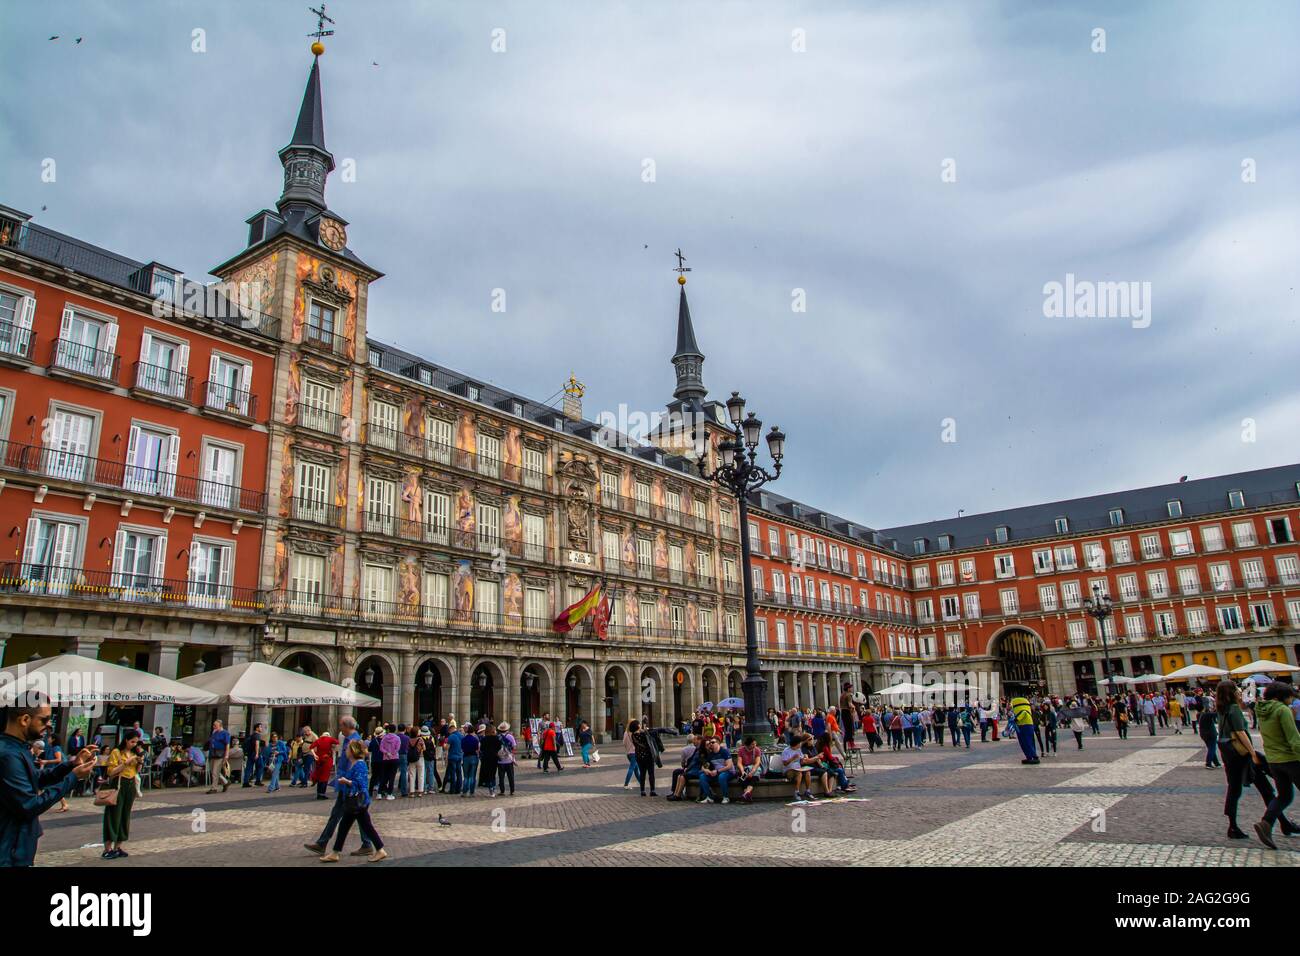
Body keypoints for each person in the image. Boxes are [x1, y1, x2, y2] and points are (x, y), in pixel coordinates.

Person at [0, 696, 96, 866]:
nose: (49, 725)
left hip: (15, 847)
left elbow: (35, 778)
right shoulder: (8, 754)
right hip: (9, 852)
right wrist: (73, 777)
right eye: (44, 720)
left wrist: (70, 765)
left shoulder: (16, 748)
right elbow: (29, 805)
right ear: (24, 720)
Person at [1215, 680, 1294, 841]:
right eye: (1236, 689)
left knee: (1234, 789)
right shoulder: (1234, 708)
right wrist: (1253, 753)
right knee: (1265, 788)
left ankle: (1233, 826)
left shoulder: (1221, 709)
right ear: (1231, 692)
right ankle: (1281, 823)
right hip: (1242, 755)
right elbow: (1240, 732)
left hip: (1229, 754)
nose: (1239, 690)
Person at [305, 717, 374, 858]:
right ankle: (323, 843)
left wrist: (348, 782)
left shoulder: (353, 740)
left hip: (348, 785)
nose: (340, 728)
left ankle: (366, 845)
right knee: (341, 815)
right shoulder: (352, 739)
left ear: (346, 726)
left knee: (355, 816)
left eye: (341, 725)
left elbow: (354, 762)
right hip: (346, 783)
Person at [319, 740, 388, 863]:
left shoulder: (359, 764)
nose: (345, 751)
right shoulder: (354, 764)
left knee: (364, 827)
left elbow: (361, 784)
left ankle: (380, 849)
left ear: (352, 751)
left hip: (357, 802)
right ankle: (335, 853)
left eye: (347, 749)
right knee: (347, 826)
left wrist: (347, 781)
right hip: (355, 802)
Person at [1252, 681, 1300, 850]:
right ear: (1281, 696)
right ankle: (1266, 825)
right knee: (1285, 796)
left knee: (1284, 796)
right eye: (1289, 697)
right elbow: (1293, 739)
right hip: (1291, 759)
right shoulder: (1282, 710)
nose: (1291, 700)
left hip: (1274, 761)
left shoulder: (1262, 711)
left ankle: (1266, 824)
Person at [102, 728, 145, 860]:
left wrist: (139, 761)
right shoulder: (116, 752)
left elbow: (137, 770)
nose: (134, 744)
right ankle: (108, 848)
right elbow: (110, 772)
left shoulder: (134, 753)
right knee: (114, 815)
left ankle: (118, 846)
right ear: (126, 740)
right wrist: (125, 763)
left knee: (125, 815)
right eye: (132, 742)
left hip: (130, 784)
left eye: (136, 742)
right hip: (119, 784)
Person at [696, 736, 733, 804]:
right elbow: (704, 766)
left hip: (728, 772)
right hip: (717, 773)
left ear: (718, 743)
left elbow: (729, 766)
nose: (711, 744)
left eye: (713, 742)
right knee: (702, 776)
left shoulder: (724, 751)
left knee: (721, 776)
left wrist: (717, 771)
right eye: (710, 743)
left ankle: (726, 797)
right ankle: (710, 797)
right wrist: (706, 770)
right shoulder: (711, 754)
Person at [665, 735, 701, 801]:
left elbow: (694, 763)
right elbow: (690, 760)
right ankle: (675, 793)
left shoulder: (700, 751)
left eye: (695, 740)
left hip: (695, 770)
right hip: (691, 768)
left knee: (682, 776)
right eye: (693, 740)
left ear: (699, 740)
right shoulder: (696, 749)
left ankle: (677, 795)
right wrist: (686, 767)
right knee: (676, 772)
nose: (693, 741)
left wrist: (687, 768)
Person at [780, 736, 814, 801]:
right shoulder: (786, 751)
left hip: (798, 768)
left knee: (808, 772)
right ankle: (796, 792)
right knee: (799, 773)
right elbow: (785, 763)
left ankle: (808, 791)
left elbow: (801, 761)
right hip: (789, 770)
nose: (801, 744)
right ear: (797, 744)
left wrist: (804, 759)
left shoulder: (798, 750)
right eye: (800, 743)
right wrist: (793, 758)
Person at [629, 720, 657, 796]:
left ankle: (643, 790)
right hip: (648, 756)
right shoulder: (643, 734)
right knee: (651, 773)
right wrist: (645, 730)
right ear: (637, 726)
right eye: (639, 724)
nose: (640, 725)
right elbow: (648, 738)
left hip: (639, 756)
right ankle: (652, 790)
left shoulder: (633, 735)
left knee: (642, 774)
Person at [1009, 695, 1039, 765]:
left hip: (1026, 726)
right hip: (1020, 726)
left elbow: (1023, 714)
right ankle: (1029, 756)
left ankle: (1034, 756)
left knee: (1028, 741)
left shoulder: (1024, 711)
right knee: (1023, 742)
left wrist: (1016, 719)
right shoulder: (1019, 711)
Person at [309, 729, 337, 799]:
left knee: (319, 776)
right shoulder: (330, 739)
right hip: (327, 760)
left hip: (319, 760)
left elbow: (311, 747)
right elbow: (338, 742)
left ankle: (319, 793)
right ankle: (322, 794)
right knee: (325, 777)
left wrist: (314, 755)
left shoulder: (318, 740)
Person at [205, 719, 231, 794]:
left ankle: (214, 788)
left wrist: (226, 755)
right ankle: (225, 782)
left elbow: (227, 745)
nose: (214, 727)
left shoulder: (225, 733)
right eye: (213, 725)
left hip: (220, 754)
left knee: (215, 772)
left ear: (220, 726)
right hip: (212, 753)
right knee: (213, 771)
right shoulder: (214, 732)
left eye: (215, 725)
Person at [1198, 692, 1221, 769]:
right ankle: (1208, 763)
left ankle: (1216, 763)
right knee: (1212, 748)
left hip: (1204, 734)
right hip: (1210, 734)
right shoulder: (1208, 714)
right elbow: (1218, 713)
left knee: (1211, 748)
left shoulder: (1201, 714)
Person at [479, 723, 501, 796]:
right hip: (494, 757)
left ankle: (490, 788)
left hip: (486, 758)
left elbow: (481, 749)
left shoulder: (484, 739)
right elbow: (499, 747)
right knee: (493, 773)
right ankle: (493, 789)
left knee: (488, 773)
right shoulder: (496, 738)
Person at [496, 723, 517, 796]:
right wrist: (512, 756)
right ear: (507, 729)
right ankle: (512, 790)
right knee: (510, 776)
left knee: (501, 777)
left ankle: (502, 791)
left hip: (500, 760)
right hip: (508, 760)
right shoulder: (510, 736)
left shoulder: (497, 737)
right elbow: (514, 747)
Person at [443, 723, 464, 793]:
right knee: (459, 773)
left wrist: (444, 745)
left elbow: (447, 748)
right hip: (459, 756)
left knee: (452, 773)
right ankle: (458, 789)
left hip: (452, 756)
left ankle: (452, 789)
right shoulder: (461, 735)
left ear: (451, 729)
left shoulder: (451, 736)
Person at [460, 724, 480, 796]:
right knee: (473, 776)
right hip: (474, 757)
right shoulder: (475, 739)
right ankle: (472, 792)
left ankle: (465, 792)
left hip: (466, 757)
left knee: (466, 776)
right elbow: (477, 749)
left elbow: (462, 749)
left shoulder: (463, 739)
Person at [241, 723, 263, 787]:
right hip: (255, 753)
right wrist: (257, 753)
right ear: (257, 728)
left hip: (250, 753)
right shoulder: (257, 735)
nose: (261, 728)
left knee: (249, 768)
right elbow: (257, 744)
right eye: (260, 727)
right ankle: (258, 780)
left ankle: (245, 782)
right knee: (260, 766)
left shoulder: (251, 735)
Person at [622, 722, 642, 788]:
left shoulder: (625, 733)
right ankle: (626, 784)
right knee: (632, 768)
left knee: (636, 769)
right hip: (634, 753)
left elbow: (624, 743)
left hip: (629, 754)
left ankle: (641, 783)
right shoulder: (635, 733)